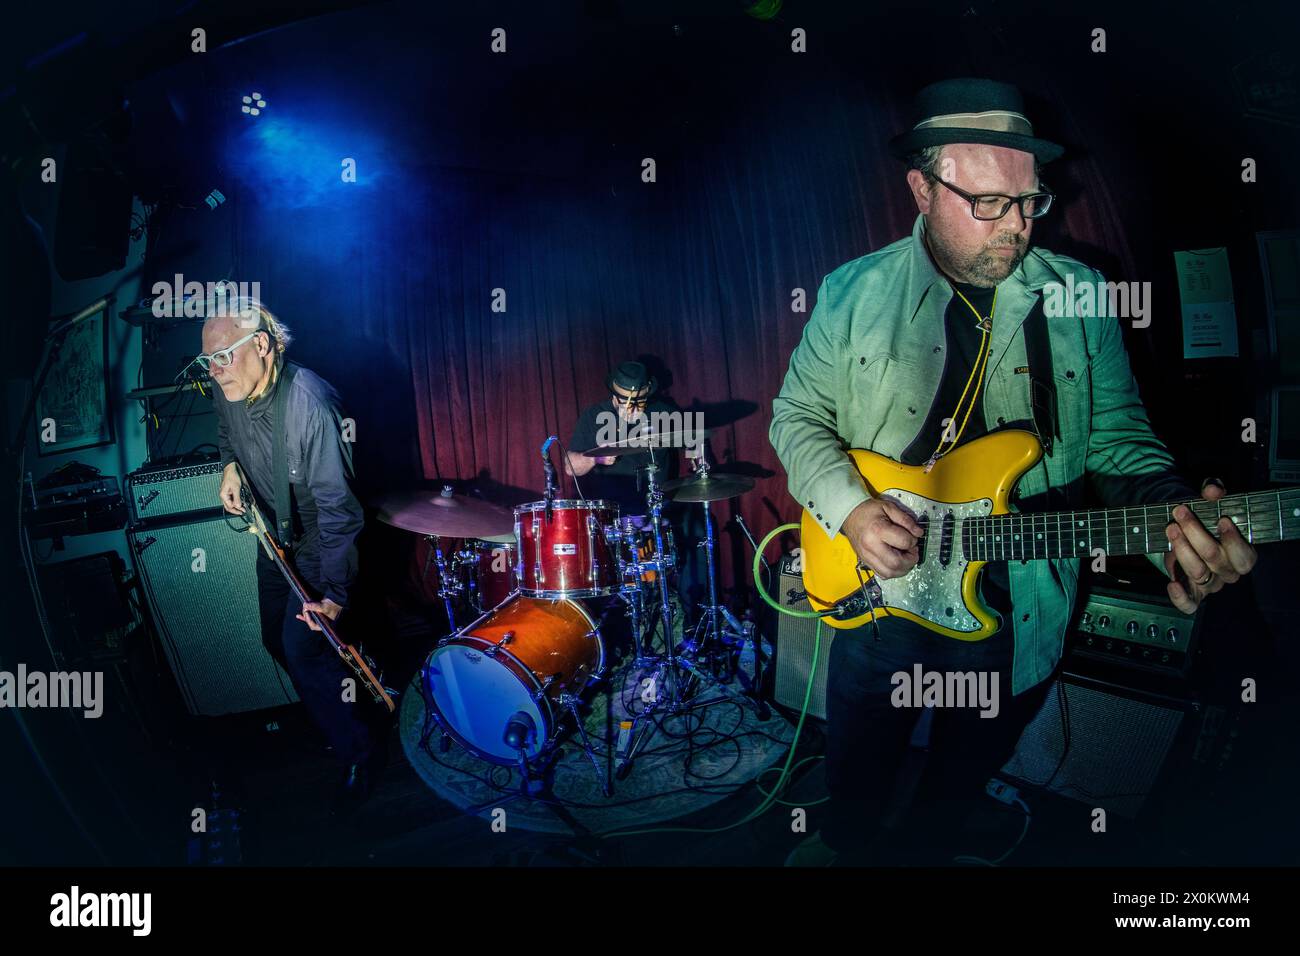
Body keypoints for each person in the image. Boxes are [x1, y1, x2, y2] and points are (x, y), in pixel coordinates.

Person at [769, 78, 1259, 866]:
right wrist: (851, 509)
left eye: (1030, 202)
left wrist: (1173, 517)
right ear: (922, 189)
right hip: (875, 601)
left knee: (963, 769)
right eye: (991, 203)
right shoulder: (850, 292)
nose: (1018, 228)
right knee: (860, 757)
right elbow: (795, 418)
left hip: (1021, 606)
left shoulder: (1080, 294)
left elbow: (1120, 443)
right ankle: (846, 842)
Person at [200, 297, 381, 816]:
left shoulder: (312, 403)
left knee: (303, 648)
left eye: (222, 357)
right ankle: (339, 700)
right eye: (207, 362)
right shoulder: (231, 386)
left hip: (320, 537)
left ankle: (361, 750)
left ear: (261, 344)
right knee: (273, 639)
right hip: (274, 537)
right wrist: (229, 466)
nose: (215, 371)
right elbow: (225, 432)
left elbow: (339, 511)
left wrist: (335, 595)